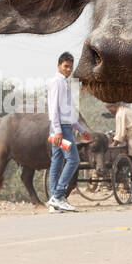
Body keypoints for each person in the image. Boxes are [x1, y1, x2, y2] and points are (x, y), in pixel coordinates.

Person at [46, 51, 80, 212]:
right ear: (59, 66)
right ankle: (58, 195)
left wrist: (81, 129)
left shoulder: (64, 83)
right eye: (66, 66)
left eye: (70, 67)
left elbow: (68, 111)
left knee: (57, 162)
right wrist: (58, 131)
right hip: (61, 128)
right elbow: (54, 109)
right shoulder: (57, 82)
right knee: (73, 159)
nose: (68, 70)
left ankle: (54, 201)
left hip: (61, 127)